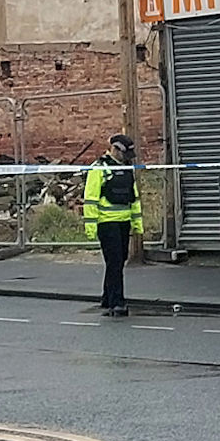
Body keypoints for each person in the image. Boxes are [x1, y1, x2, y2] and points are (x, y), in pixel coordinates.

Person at [85, 133, 143, 316]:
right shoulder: (99, 168)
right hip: (106, 223)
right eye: (124, 153)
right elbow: (91, 199)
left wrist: (137, 223)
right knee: (115, 262)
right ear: (115, 149)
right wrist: (91, 226)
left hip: (124, 222)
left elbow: (133, 198)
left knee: (118, 260)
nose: (126, 158)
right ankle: (117, 303)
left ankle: (107, 297)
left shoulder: (127, 168)